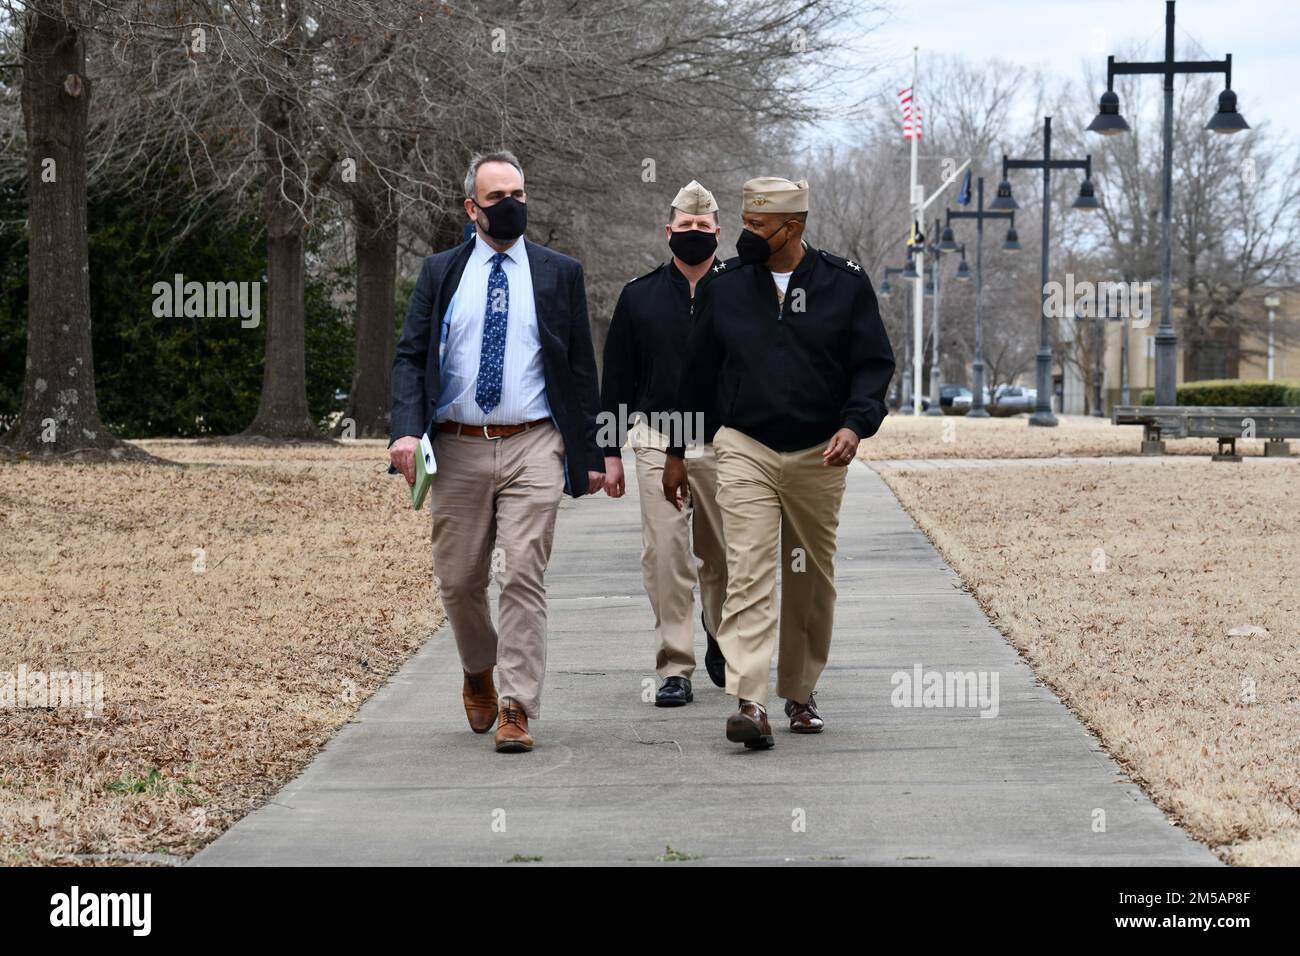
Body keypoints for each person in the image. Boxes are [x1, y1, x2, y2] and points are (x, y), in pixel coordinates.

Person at [663, 176, 895, 750]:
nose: (746, 235)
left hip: (820, 450)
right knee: (747, 568)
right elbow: (696, 375)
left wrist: (854, 423)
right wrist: (675, 452)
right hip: (745, 445)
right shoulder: (728, 287)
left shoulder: (844, 284)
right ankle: (750, 700)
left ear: (793, 228)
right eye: (743, 222)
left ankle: (799, 690)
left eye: (758, 227)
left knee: (808, 574)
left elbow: (873, 364)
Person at [389, 150, 604, 754]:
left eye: (519, 194)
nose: (512, 205)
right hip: (456, 446)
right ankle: (478, 667)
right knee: (458, 581)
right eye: (497, 197)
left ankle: (516, 704)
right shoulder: (441, 272)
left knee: (522, 573)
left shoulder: (560, 272)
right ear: (471, 209)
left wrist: (594, 450)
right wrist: (406, 431)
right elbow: (409, 356)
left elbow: (581, 369)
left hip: (534, 441)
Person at [600, 181, 729, 707]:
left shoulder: (743, 291)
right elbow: (618, 380)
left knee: (724, 556)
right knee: (667, 556)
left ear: (719, 233)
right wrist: (609, 453)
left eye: (703, 227)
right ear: (668, 231)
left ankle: (721, 630)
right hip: (655, 438)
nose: (693, 234)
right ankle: (676, 665)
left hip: (725, 440)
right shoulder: (639, 296)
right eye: (685, 227)